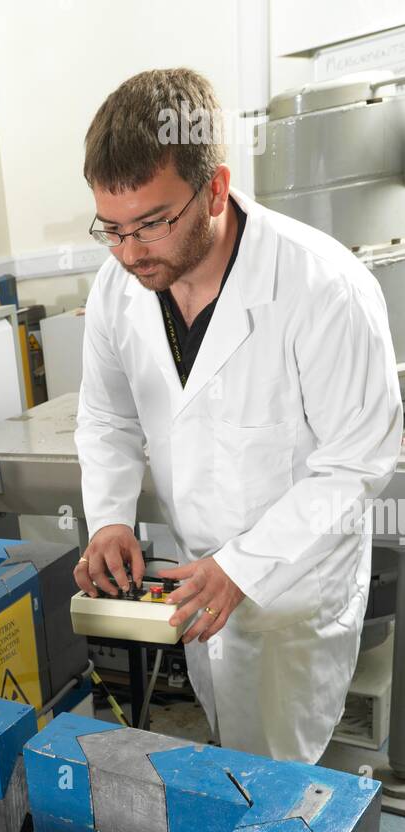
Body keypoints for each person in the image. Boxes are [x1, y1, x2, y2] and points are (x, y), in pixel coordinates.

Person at [73, 68, 402, 762]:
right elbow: (107, 417)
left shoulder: (324, 289)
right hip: (199, 582)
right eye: (112, 228)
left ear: (215, 187)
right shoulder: (118, 286)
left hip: (289, 593)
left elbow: (356, 464)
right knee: (228, 755)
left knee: (279, 783)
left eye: (153, 223)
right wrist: (108, 517)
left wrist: (242, 567)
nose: (130, 252)